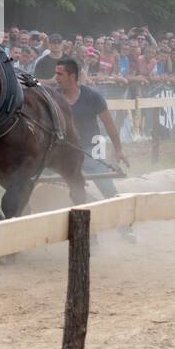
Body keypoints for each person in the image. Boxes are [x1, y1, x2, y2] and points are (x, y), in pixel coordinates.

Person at [54, 56, 136, 242]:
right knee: (74, 191)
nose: (56, 77)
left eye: (60, 74)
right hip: (64, 152)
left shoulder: (92, 97)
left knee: (107, 186)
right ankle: (88, 234)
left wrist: (119, 150)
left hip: (91, 148)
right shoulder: (53, 97)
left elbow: (109, 124)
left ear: (72, 76)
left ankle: (125, 227)